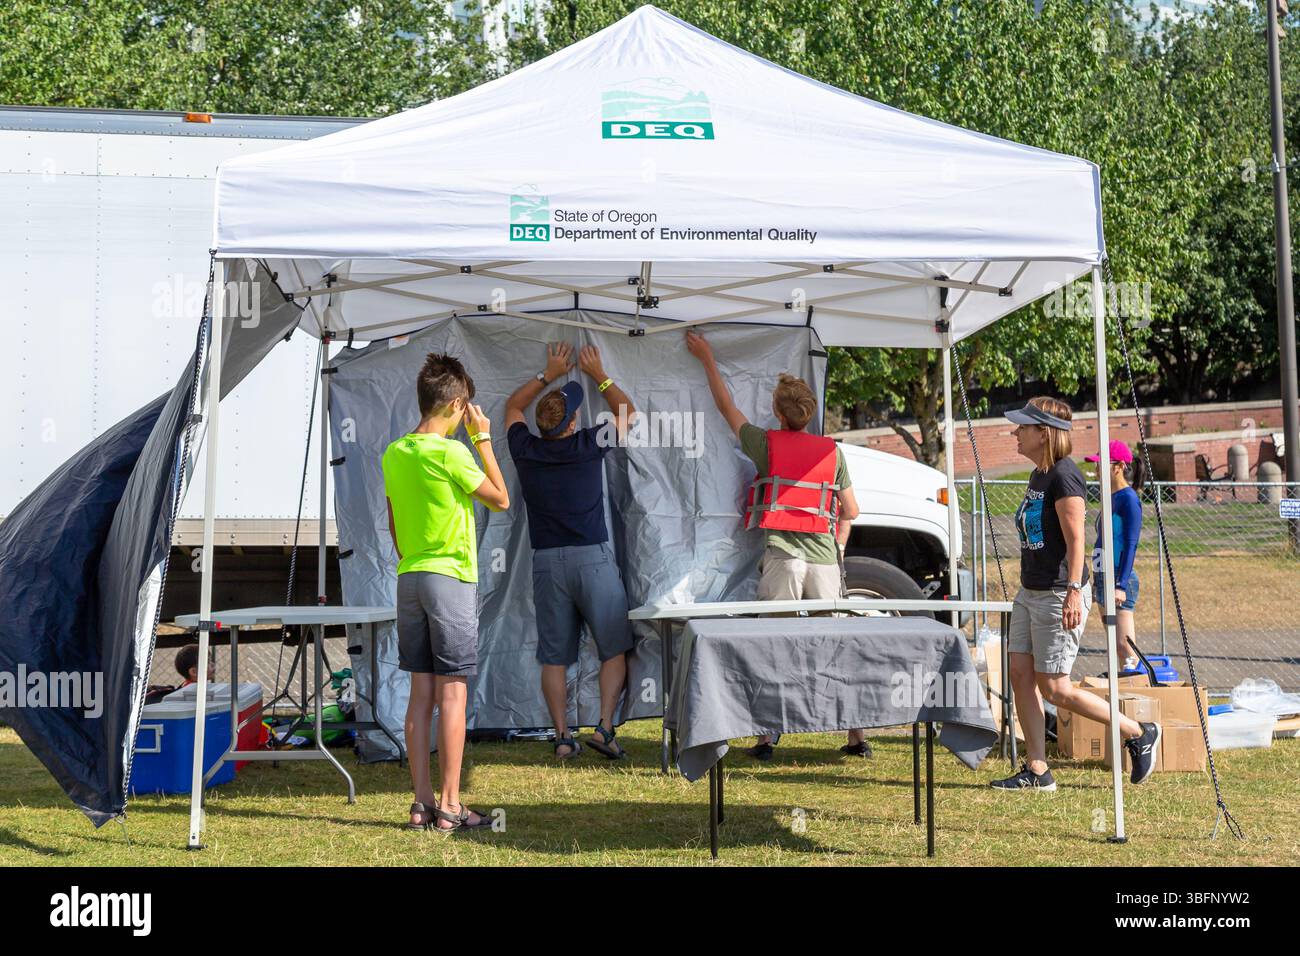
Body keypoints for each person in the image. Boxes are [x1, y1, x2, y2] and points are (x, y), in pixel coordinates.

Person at [685, 330, 863, 761]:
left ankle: (768, 736)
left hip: (784, 559)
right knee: (834, 644)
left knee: (774, 645)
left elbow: (726, 407)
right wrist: (838, 546)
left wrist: (707, 358)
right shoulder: (831, 453)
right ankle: (858, 736)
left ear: (776, 413)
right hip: (822, 559)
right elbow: (851, 511)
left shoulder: (765, 444)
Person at [991, 398, 1161, 792]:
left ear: (1043, 432)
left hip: (1057, 593)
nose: (1015, 433)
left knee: (1056, 688)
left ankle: (1138, 730)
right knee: (1020, 675)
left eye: (1022, 428)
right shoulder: (1039, 474)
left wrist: (1071, 591)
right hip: (1030, 591)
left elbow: (1077, 540)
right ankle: (1037, 769)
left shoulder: (1065, 476)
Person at [382, 351, 510, 832]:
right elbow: (501, 498)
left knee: (420, 694)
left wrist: (416, 556)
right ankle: (451, 805)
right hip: (450, 578)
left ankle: (420, 803)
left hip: (410, 577)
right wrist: (484, 441)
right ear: (456, 404)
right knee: (453, 693)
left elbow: (393, 524)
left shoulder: (394, 452)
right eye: (466, 410)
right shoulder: (453, 452)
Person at [505, 342, 638, 760]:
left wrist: (549, 374)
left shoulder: (525, 449)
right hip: (592, 559)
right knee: (613, 647)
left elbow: (512, 407)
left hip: (547, 562)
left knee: (554, 656)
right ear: (572, 423)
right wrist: (599, 375)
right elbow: (628, 413)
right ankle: (603, 727)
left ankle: (563, 737)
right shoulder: (587, 445)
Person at [1084, 440, 1144, 668]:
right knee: (1114, 646)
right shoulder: (1109, 497)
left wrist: (1120, 584)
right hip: (1102, 576)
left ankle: (1137, 692)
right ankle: (1122, 693)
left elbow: (1131, 544)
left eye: (1101, 464)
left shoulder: (1128, 499)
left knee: (1125, 648)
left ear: (1118, 466)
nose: (1096, 470)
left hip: (1120, 579)